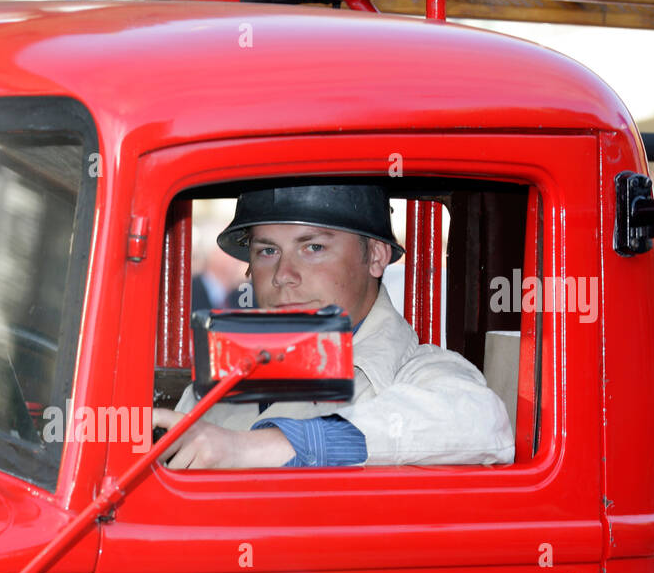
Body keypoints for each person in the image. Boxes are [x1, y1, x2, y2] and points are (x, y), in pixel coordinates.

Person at [153, 184, 514, 469]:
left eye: (312, 247)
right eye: (267, 251)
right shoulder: (222, 382)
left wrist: (260, 446)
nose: (283, 276)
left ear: (375, 256)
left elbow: (483, 422)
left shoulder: (418, 371)